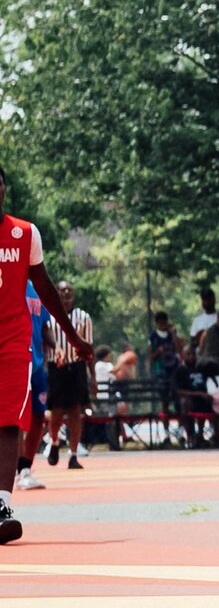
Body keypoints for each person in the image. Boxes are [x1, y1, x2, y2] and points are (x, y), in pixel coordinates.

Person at [0, 166, 94, 544]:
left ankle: (2, 505)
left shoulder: (25, 234)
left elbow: (45, 287)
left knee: (8, 420)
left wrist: (72, 336)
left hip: (12, 342)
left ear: (4, 190)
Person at [45, 280, 94, 468]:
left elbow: (89, 347)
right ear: (56, 293)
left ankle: (73, 454)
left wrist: (93, 377)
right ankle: (54, 441)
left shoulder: (83, 317)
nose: (66, 293)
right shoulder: (49, 316)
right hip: (56, 367)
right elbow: (43, 341)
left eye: (69, 290)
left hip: (76, 366)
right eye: (62, 290)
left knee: (75, 410)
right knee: (57, 410)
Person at [16, 281, 53, 489]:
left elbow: (45, 326)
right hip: (16, 362)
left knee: (38, 416)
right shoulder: (8, 281)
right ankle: (14, 469)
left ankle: (25, 469)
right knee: (15, 419)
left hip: (37, 365)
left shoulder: (35, 287)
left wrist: (56, 347)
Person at [148, 311, 182, 406]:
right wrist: (159, 351)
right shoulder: (153, 336)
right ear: (156, 323)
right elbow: (151, 356)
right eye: (160, 323)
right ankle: (165, 412)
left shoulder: (173, 334)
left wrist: (173, 333)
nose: (163, 325)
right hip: (160, 371)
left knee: (177, 396)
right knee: (164, 398)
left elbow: (179, 349)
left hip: (174, 370)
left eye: (164, 322)